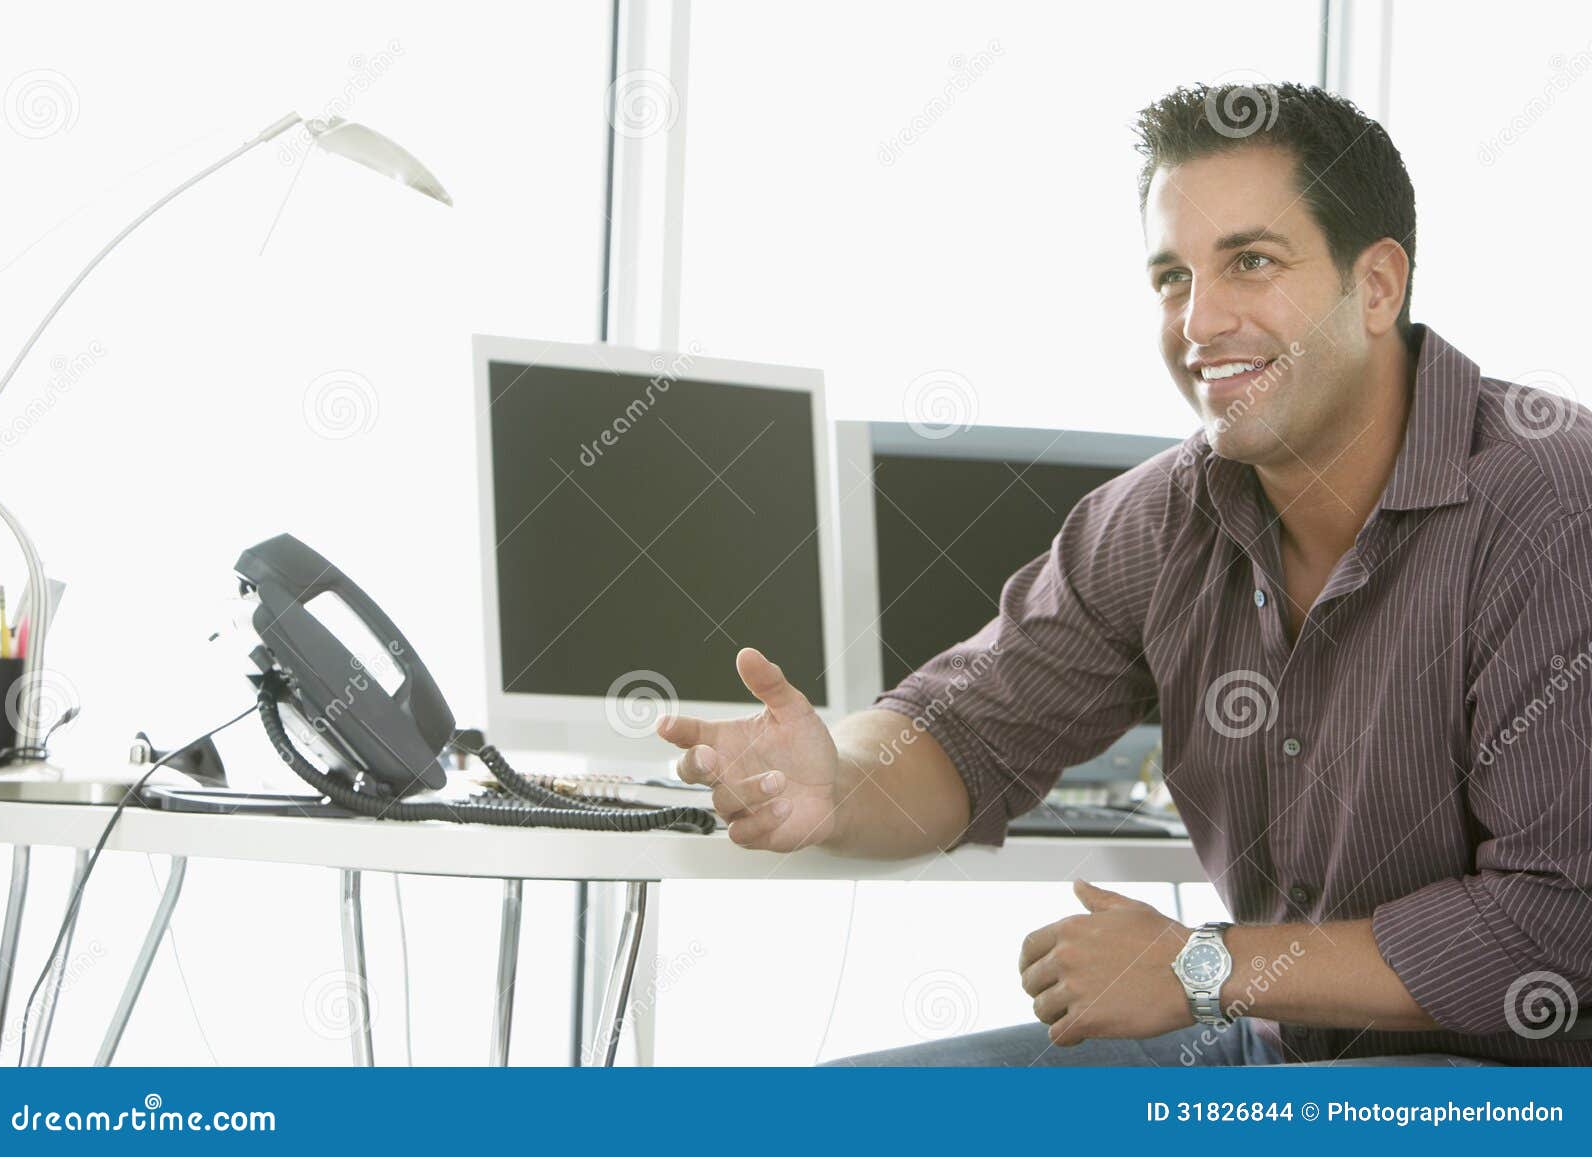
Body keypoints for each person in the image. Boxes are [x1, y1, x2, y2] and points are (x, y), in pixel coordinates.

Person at [658, 81, 1592, 1066]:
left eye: (1251, 262)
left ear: (1375, 286)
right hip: (1276, 1052)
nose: (1198, 322)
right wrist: (840, 782)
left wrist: (1201, 967)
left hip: (1517, 1080)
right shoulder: (1162, 518)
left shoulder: (1549, 505)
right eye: (1171, 278)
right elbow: (969, 729)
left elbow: (1559, 927)